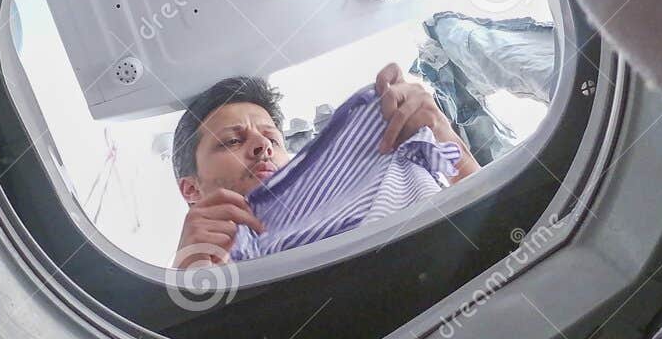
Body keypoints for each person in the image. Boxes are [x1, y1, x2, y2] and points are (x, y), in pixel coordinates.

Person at [170, 63, 479, 268]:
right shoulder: (210, 276)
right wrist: (187, 274)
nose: (263, 145)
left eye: (272, 138)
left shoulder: (380, 166)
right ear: (191, 189)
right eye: (232, 141)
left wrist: (442, 133)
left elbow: (489, 229)